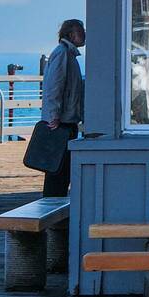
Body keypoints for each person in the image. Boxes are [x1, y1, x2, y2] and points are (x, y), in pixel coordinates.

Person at [41, 19, 85, 196]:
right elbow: (54, 87)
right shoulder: (63, 54)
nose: (84, 35)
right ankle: (51, 206)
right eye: (80, 31)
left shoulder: (68, 54)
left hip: (67, 118)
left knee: (62, 168)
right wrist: (54, 116)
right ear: (70, 35)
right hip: (62, 121)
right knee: (57, 169)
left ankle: (55, 205)